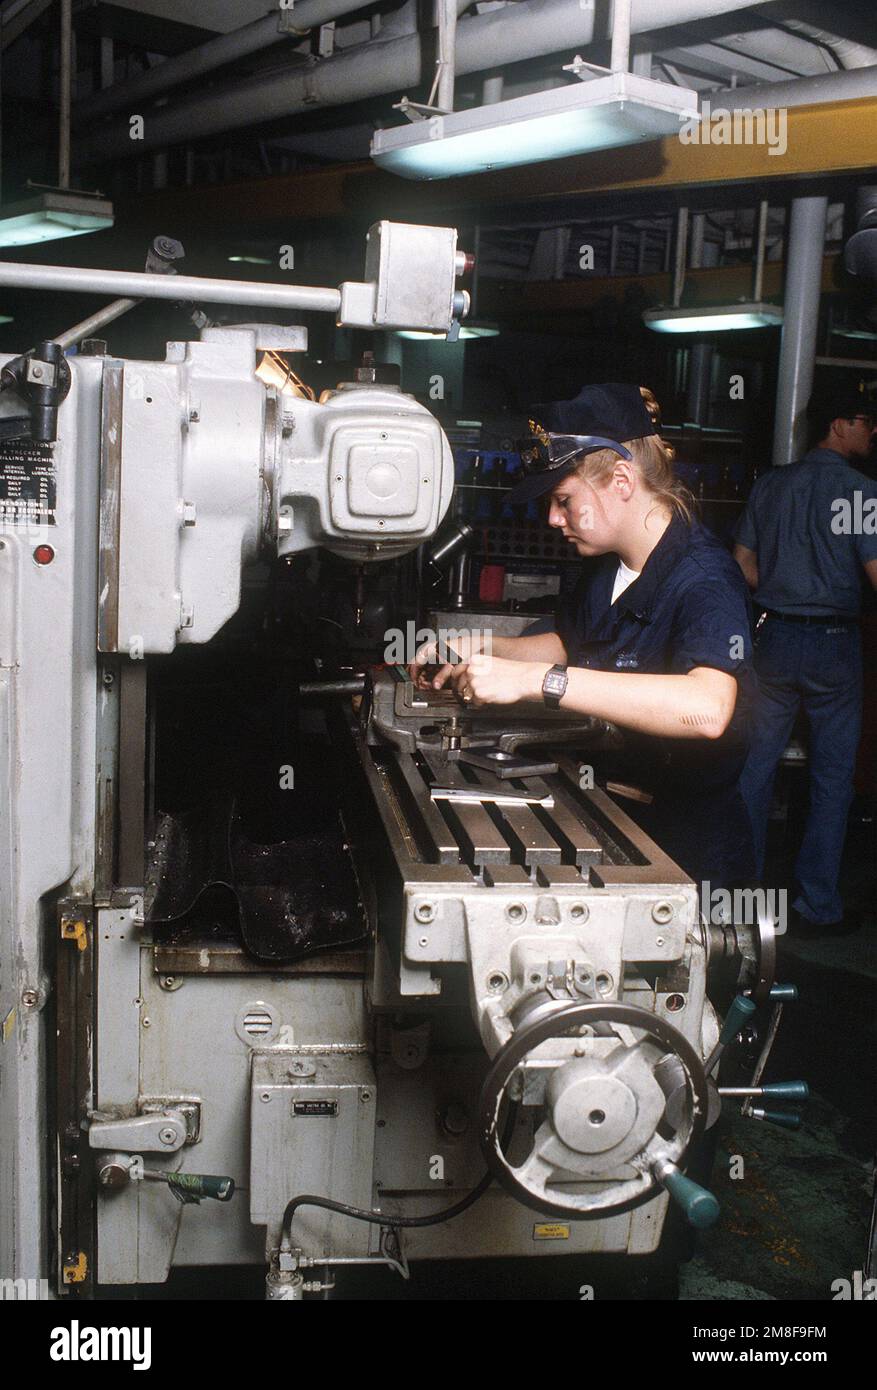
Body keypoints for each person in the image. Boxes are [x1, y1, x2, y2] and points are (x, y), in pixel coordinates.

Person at [411, 383, 756, 890]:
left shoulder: (704, 578)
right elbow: (578, 645)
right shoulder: (602, 566)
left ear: (620, 479)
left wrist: (538, 682)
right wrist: (483, 646)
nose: (553, 519)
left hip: (684, 846)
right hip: (604, 810)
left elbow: (707, 709)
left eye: (564, 500)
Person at [733, 393, 877, 935]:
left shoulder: (771, 485)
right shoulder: (862, 493)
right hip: (835, 644)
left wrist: (779, 589)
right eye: (867, 422)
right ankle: (817, 905)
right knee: (832, 779)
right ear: (838, 425)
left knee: (754, 771)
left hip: (772, 637)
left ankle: (737, 902)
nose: (874, 430)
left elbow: (740, 564)